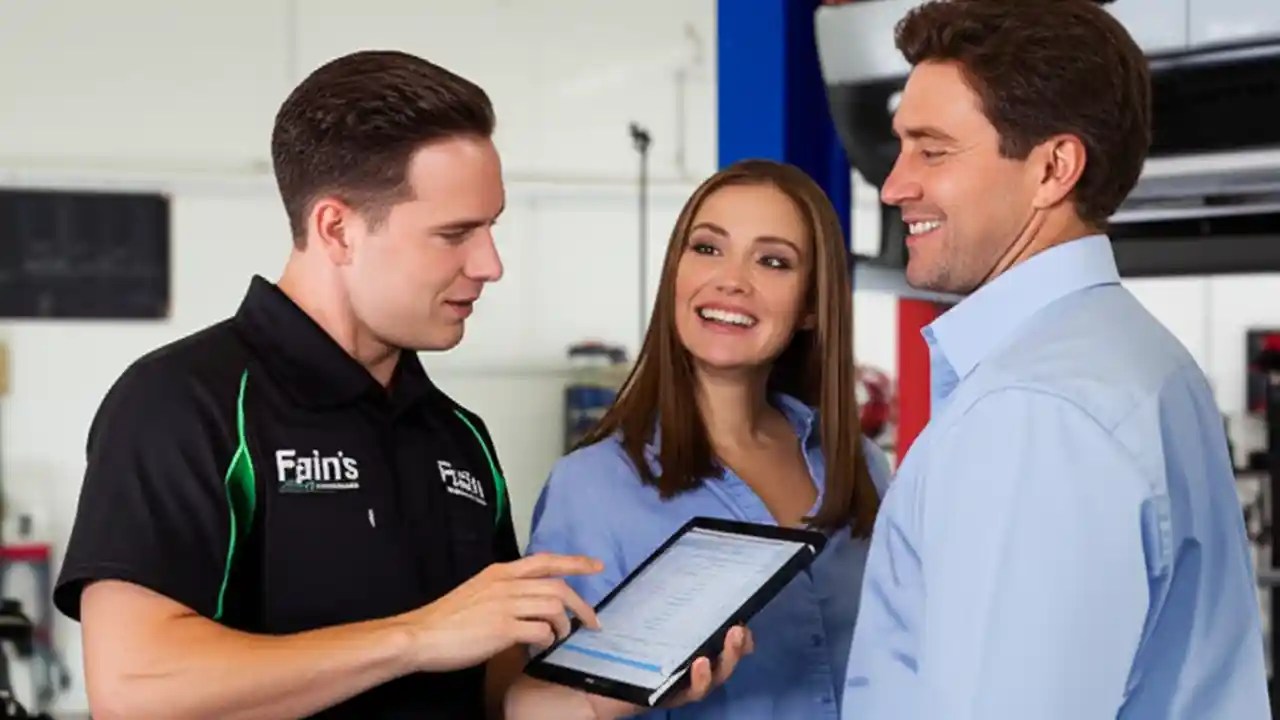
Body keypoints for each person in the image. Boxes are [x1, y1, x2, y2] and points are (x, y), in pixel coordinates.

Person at [51, 50, 745, 720]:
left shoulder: (457, 436)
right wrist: (415, 638)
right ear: (337, 229)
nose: (492, 264)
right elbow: (135, 685)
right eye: (455, 234)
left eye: (492, 227)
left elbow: (496, 697)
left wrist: (617, 690)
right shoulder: (184, 402)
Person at [841, 1, 1270, 718]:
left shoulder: (1034, 414)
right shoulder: (1125, 356)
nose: (894, 185)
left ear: (1052, 169)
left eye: (933, 150)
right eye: (900, 146)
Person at [506, 159, 893, 719]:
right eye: (708, 249)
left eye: (773, 261)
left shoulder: (859, 466)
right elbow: (533, 707)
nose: (731, 279)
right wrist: (631, 692)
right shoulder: (593, 487)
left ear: (811, 305)